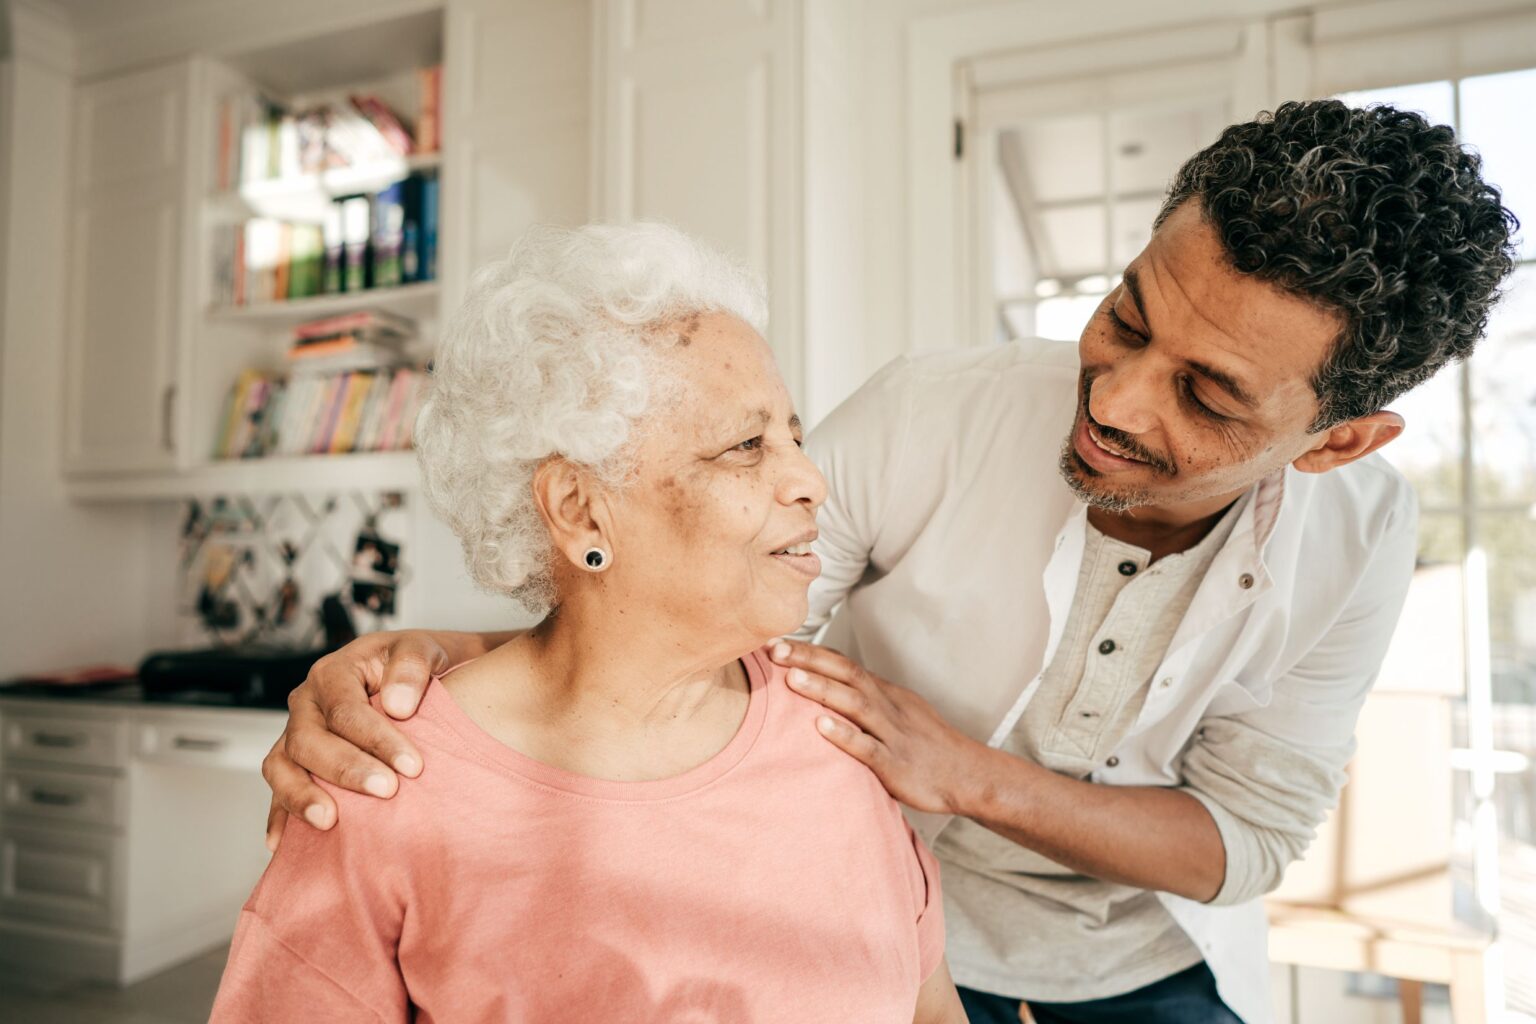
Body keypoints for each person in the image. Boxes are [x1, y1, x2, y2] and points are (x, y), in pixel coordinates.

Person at [261, 101, 1518, 1024]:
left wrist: (961, 773)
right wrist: (439, 664)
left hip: (1143, 957)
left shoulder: (1364, 538)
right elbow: (686, 586)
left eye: (1206, 392)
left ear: (1337, 440)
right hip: (922, 927)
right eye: (1127, 315)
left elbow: (1241, 835)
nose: (1118, 399)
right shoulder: (936, 410)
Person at [212, 224, 965, 1023]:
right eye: (746, 445)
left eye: (795, 436)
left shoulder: (842, 735)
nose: (811, 479)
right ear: (579, 508)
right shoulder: (380, 778)